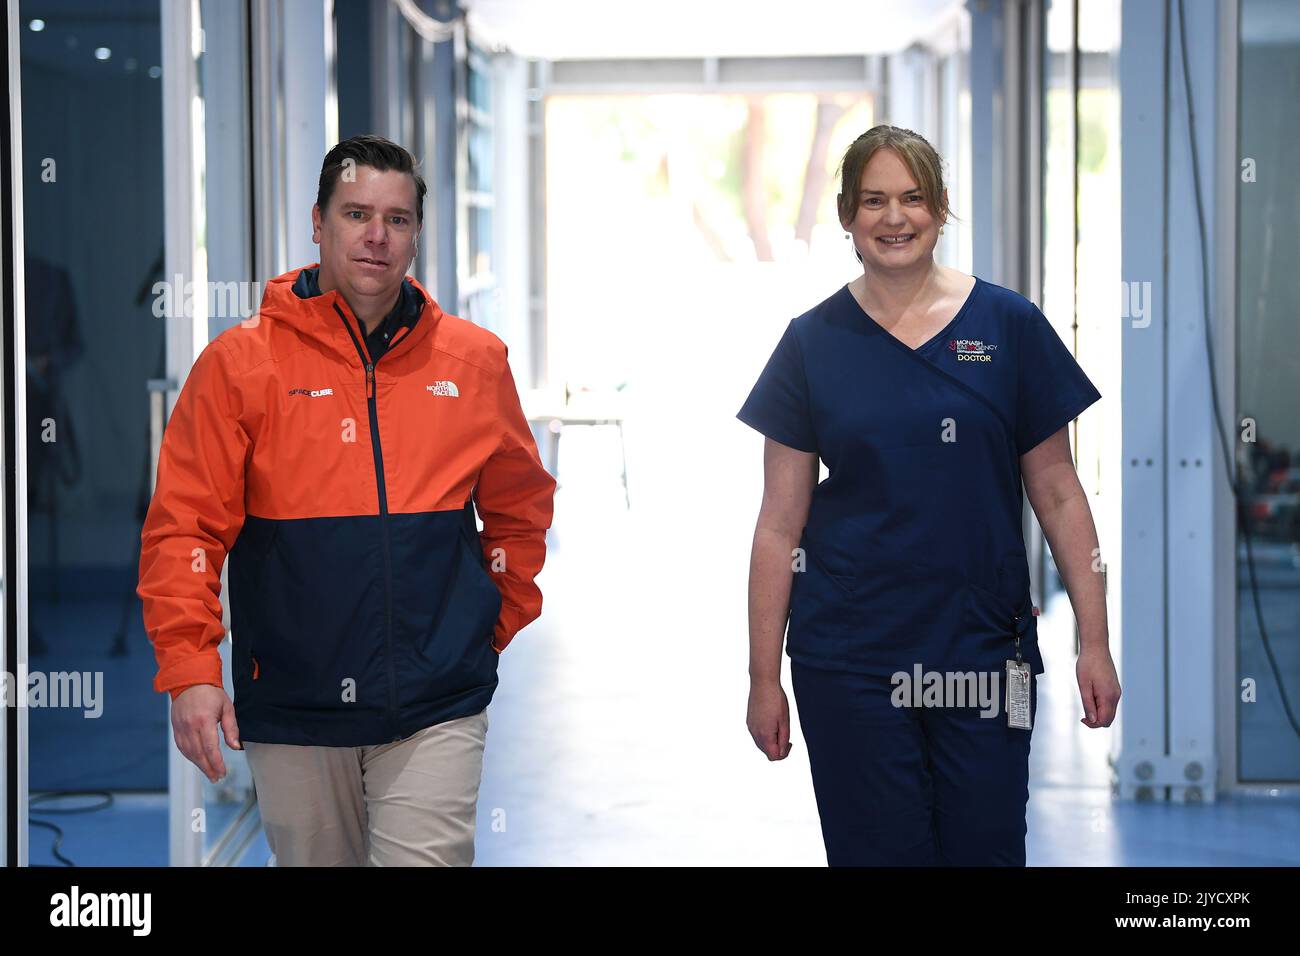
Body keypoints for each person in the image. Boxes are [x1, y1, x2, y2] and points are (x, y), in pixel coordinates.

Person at [137, 134, 556, 866]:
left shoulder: (473, 362)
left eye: (397, 219)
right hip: (296, 703)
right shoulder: (241, 364)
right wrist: (191, 669)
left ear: (416, 234)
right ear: (318, 222)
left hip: (437, 700)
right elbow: (184, 528)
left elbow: (520, 507)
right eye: (357, 213)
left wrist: (491, 617)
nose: (376, 236)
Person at [738, 125, 1120, 866]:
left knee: (989, 846)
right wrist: (763, 679)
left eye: (913, 198)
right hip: (848, 660)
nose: (895, 217)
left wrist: (1094, 641)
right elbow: (778, 526)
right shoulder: (811, 345)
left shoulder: (1009, 327)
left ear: (941, 209)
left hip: (989, 656)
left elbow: (1061, 496)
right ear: (846, 216)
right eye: (874, 200)